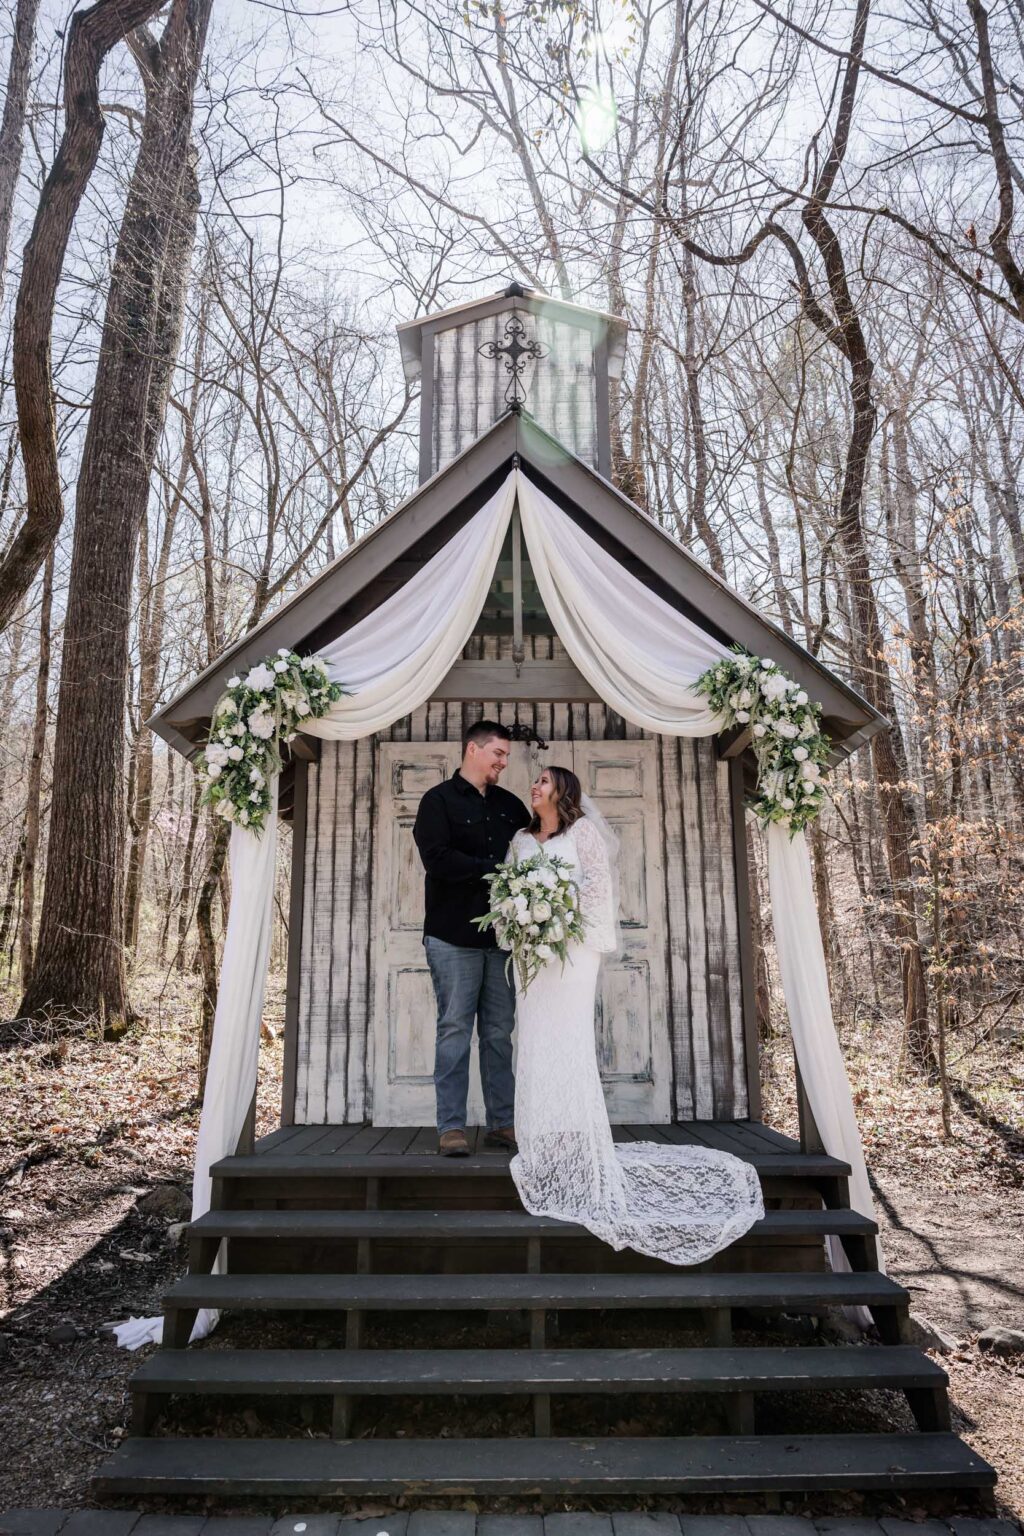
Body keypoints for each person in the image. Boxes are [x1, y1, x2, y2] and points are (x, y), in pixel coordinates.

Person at [507, 764, 765, 1265]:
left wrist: (565, 930)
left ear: (562, 792)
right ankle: (540, 1136)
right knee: (534, 1039)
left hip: (573, 951)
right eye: (533, 780)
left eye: (542, 780)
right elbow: (510, 892)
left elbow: (598, 893)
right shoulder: (519, 839)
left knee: (569, 1039)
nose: (533, 785)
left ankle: (579, 1139)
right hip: (531, 953)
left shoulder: (583, 833)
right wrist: (524, 927)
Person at [413, 720, 531, 1157]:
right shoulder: (437, 801)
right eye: (498, 753)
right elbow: (438, 859)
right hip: (452, 935)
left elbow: (530, 853)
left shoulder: (511, 806)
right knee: (455, 1031)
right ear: (473, 750)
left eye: (506, 756)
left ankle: (503, 1123)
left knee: (500, 1033)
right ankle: (451, 1128)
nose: (504, 762)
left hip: (502, 940)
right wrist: (494, 870)